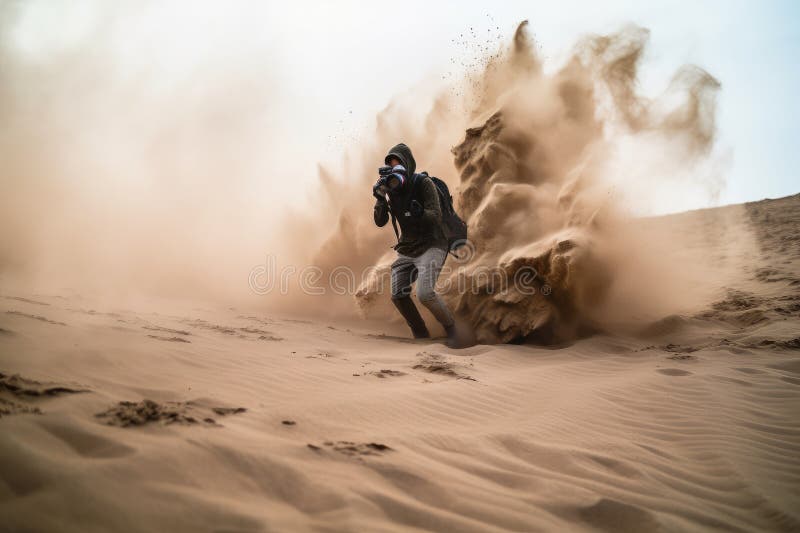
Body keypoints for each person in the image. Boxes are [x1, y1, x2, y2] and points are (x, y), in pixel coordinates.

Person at [373, 143, 462, 347]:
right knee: (397, 294)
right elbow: (380, 221)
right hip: (407, 248)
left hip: (433, 244)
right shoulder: (390, 189)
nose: (394, 172)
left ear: (407, 165)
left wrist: (420, 213)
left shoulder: (423, 183)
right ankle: (420, 333)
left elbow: (436, 216)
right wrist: (380, 199)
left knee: (425, 294)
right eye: (390, 167)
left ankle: (452, 330)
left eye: (398, 166)